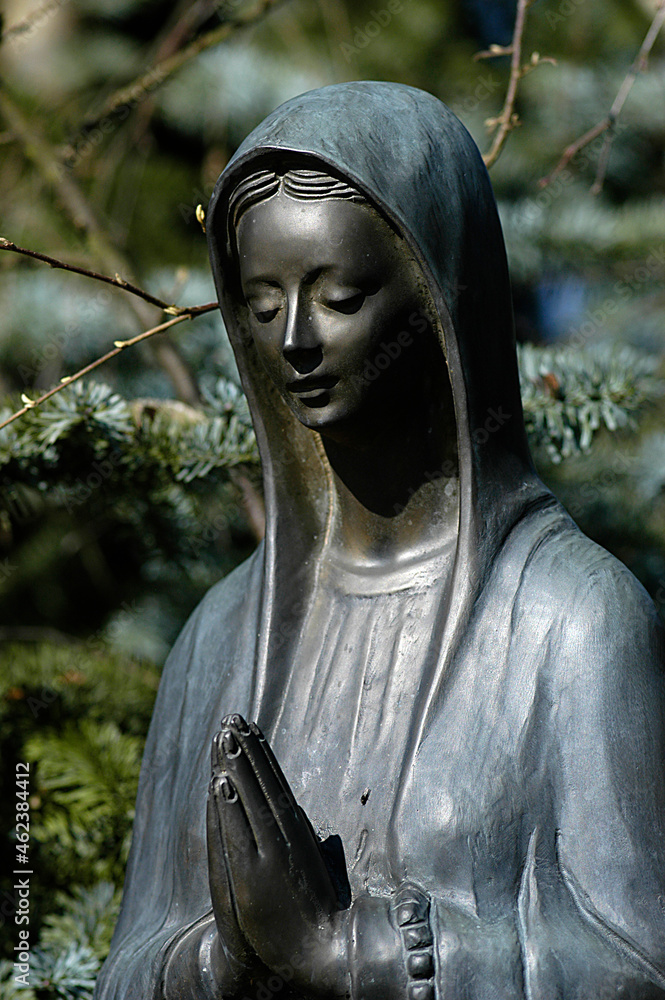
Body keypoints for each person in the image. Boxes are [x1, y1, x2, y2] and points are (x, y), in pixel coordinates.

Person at [95, 82, 665, 1000]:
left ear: (440, 303)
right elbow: (129, 969)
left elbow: (640, 967)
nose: (296, 341)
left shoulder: (575, 622)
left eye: (341, 295)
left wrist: (346, 954)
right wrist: (221, 955)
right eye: (262, 302)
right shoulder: (216, 641)